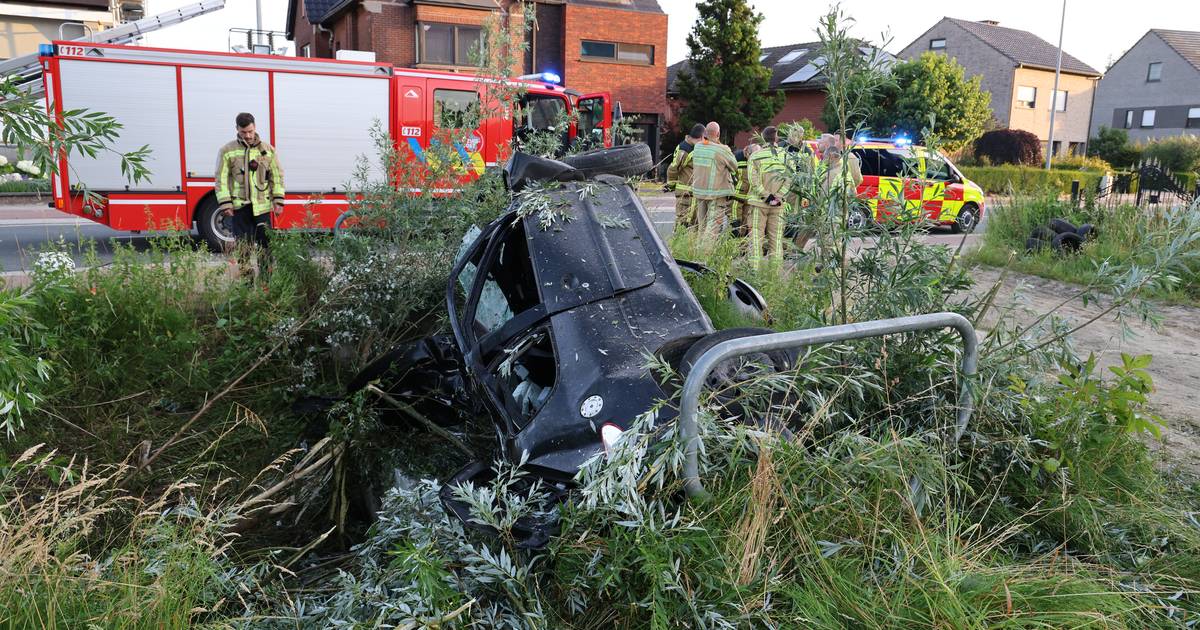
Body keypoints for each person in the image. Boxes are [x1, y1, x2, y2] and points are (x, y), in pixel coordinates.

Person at [215, 112, 284, 276]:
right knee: (244, 249)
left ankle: (266, 283)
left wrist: (278, 200)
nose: (247, 136)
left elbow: (277, 176)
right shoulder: (227, 150)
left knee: (266, 248)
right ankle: (247, 284)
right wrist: (225, 203)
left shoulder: (267, 150)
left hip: (262, 208)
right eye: (243, 132)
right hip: (240, 208)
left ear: (255, 128)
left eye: (250, 132)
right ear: (237, 129)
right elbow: (221, 178)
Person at [745, 127, 790, 268]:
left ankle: (754, 271)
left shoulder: (755, 156)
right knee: (776, 239)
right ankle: (774, 274)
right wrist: (778, 196)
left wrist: (766, 196)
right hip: (778, 205)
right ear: (776, 139)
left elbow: (753, 181)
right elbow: (789, 179)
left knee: (756, 238)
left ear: (763, 139)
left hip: (759, 204)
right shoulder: (786, 156)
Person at [689, 121, 738, 241]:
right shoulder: (722, 150)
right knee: (713, 228)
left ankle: (698, 254)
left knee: (702, 227)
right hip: (715, 194)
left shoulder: (698, 146)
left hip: (700, 193)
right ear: (718, 134)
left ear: (705, 132)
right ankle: (706, 256)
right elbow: (734, 166)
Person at [664, 124, 704, 229]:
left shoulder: (693, 147)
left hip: (693, 194)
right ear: (700, 137)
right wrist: (671, 184)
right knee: (682, 225)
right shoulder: (685, 149)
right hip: (685, 195)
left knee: (695, 226)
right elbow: (673, 168)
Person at [732, 143, 760, 237]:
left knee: (746, 222)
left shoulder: (758, 161)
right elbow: (731, 175)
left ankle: (742, 247)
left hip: (749, 198)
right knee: (735, 221)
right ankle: (734, 242)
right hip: (736, 197)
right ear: (746, 152)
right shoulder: (736, 157)